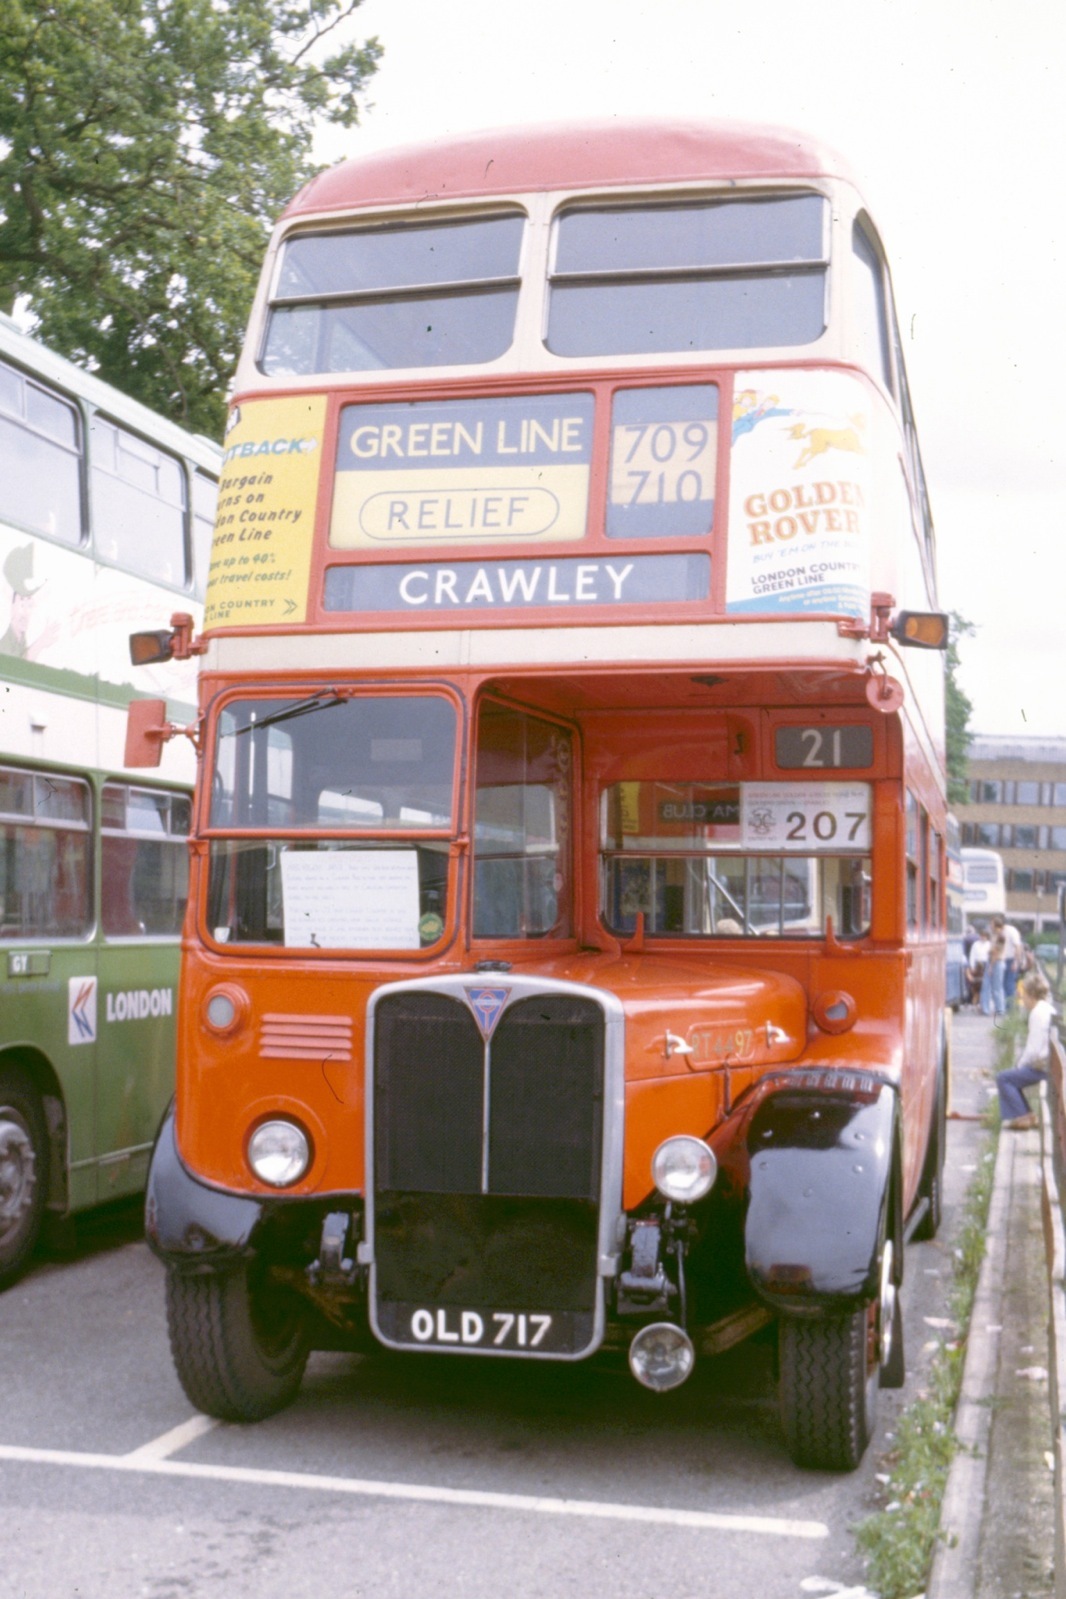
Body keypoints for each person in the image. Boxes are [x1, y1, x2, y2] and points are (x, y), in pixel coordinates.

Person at [997, 971, 1056, 1129]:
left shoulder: (1037, 1014)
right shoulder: (1048, 1008)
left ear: (1031, 995)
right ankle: (1027, 1115)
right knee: (1013, 1077)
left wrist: (1020, 1065)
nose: (1022, 999)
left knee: (1004, 1078)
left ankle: (1022, 1116)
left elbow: (1033, 1049)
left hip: (1042, 1066)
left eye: (1023, 995)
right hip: (1050, 1063)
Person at [981, 916, 1008, 1017]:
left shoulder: (1000, 936)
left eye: (991, 923)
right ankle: (988, 1008)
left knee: (995, 987)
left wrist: (991, 966)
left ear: (996, 925)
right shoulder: (995, 935)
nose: (990, 925)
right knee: (989, 985)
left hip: (996, 962)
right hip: (993, 962)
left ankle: (999, 1009)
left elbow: (996, 952)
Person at [967, 924, 990, 1009]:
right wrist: (972, 966)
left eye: (985, 936)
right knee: (976, 985)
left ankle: (983, 1003)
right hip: (977, 965)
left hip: (985, 965)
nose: (983, 937)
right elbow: (972, 955)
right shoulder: (976, 944)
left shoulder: (989, 945)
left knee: (984, 984)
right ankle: (975, 1003)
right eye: (982, 936)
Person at [1002, 918, 1023, 1007]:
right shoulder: (1011, 931)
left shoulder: (1011, 931)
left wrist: (1015, 962)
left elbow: (1017, 947)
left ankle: (1009, 1007)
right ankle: (1007, 1006)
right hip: (1006, 959)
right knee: (1006, 984)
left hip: (1010, 960)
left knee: (1009, 984)